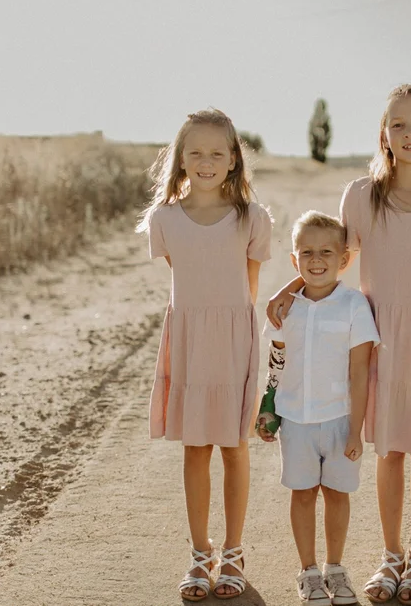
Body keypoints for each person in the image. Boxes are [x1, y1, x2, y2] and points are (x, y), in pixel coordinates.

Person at [267, 85, 411, 604]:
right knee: (389, 450)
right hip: (378, 337)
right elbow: (332, 259)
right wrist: (290, 286)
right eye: (398, 125)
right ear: (384, 136)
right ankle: (391, 557)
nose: (409, 134)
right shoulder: (362, 197)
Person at [138, 108, 272, 601]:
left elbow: (249, 287)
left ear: (234, 159)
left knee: (235, 447)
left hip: (233, 338)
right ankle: (200, 552)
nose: (206, 160)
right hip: (191, 340)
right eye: (195, 152)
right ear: (180, 160)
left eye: (218, 152)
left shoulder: (252, 219)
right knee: (196, 448)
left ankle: (234, 551)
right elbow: (182, 272)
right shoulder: (166, 219)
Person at [257, 210, 379, 605]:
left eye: (327, 251)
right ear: (294, 260)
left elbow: (360, 371)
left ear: (344, 258)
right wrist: (268, 408)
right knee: (304, 493)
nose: (316, 259)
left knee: (337, 493)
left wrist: (356, 429)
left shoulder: (354, 305)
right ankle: (308, 572)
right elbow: (276, 362)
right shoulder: (285, 307)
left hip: (340, 419)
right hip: (295, 419)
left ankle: (336, 570)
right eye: (306, 252)